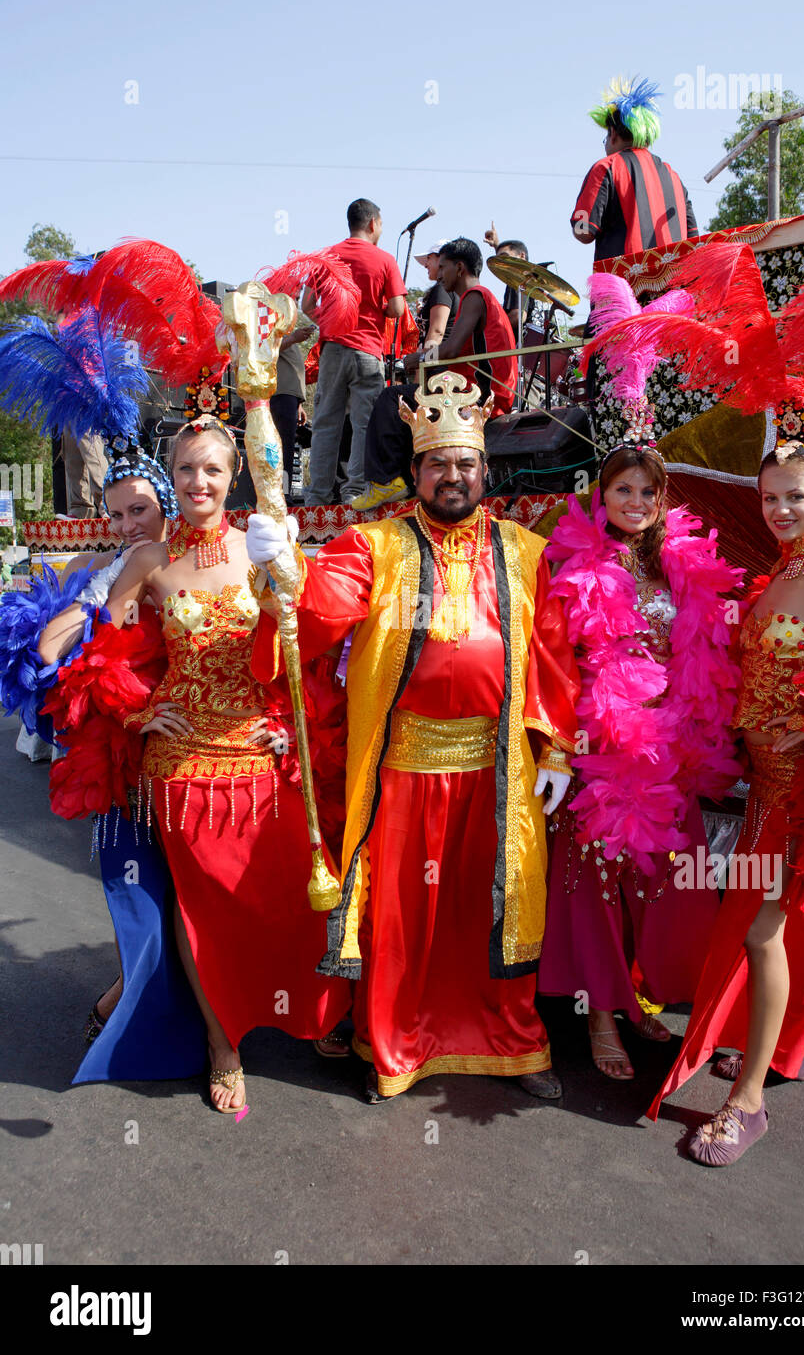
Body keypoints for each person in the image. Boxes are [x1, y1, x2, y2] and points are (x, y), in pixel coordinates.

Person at [246, 370, 581, 1102]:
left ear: (484, 470)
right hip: (402, 766)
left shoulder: (526, 552)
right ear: (416, 471)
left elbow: (553, 651)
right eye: (438, 464)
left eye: (465, 464)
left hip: (497, 769)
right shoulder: (375, 547)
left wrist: (554, 745)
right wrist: (285, 567)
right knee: (405, 916)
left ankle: (509, 1042)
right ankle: (395, 1043)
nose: (453, 476)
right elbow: (321, 599)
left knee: (491, 907)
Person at [95, 417, 352, 1112]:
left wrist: (288, 728)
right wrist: (135, 713)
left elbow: (303, 653)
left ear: (233, 476)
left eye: (211, 469)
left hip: (259, 761)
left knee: (281, 904)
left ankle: (308, 1012)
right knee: (203, 913)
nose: (198, 482)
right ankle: (222, 1045)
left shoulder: (261, 548)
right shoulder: (148, 561)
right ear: (170, 476)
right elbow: (103, 655)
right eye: (185, 470)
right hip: (180, 769)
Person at [648, 428, 804, 1163]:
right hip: (761, 791)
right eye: (769, 498)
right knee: (779, 925)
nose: (779, 509)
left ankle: (747, 1102)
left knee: (760, 932)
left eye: (794, 497)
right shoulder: (772, 581)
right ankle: (773, 1045)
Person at [2, 446, 209, 1082]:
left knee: (185, 899)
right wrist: (131, 708)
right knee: (148, 895)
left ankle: (172, 1016)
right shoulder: (135, 561)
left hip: (203, 755)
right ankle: (125, 1010)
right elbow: (61, 644)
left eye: (138, 509)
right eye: (116, 513)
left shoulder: (200, 556)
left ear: (166, 503)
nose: (127, 524)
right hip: (139, 756)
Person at [537, 443, 741, 1078]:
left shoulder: (679, 566)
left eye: (648, 493)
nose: (636, 503)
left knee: (662, 883)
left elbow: (705, 651)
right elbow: (552, 655)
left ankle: (637, 997)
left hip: (669, 748)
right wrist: (565, 743)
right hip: (604, 750)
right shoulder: (574, 561)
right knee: (598, 886)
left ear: (662, 500)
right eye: (623, 490)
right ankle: (600, 1015)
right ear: (603, 494)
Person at [303, 198, 406, 507]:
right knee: (364, 425)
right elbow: (398, 308)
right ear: (373, 223)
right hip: (368, 352)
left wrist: (330, 322)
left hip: (333, 349)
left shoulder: (326, 258)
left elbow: (306, 305)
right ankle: (355, 492)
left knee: (325, 423)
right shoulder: (384, 260)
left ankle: (317, 496)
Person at [351, 241, 458, 510]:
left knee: (390, 399)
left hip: (443, 378)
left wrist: (421, 359)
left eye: (434, 262)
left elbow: (436, 334)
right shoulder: (445, 292)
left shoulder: (441, 293)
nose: (430, 267)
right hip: (444, 374)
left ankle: (387, 480)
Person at [571, 77, 698, 261]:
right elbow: (693, 239)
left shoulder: (606, 167)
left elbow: (583, 231)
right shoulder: (674, 177)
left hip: (623, 285)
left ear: (612, 133)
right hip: (673, 285)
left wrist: (579, 216)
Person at [403, 238, 518, 420]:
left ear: (459, 268)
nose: (439, 275)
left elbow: (452, 349)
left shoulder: (475, 296)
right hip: (480, 394)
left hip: (480, 399)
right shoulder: (482, 297)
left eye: (442, 267)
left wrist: (421, 358)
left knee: (392, 399)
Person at [270, 321, 311, 501]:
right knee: (279, 447)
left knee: (287, 448)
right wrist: (293, 338)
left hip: (290, 396)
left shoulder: (285, 329)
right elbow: (264, 350)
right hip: (279, 394)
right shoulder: (268, 323)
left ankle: (284, 493)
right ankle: (280, 494)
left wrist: (299, 404)